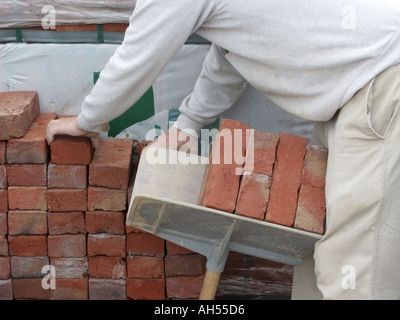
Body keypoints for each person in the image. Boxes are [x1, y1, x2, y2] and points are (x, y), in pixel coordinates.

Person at [46, 0, 400, 300]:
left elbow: (138, 55)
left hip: (381, 80)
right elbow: (234, 49)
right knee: (317, 241)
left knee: (356, 264)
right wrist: (188, 123)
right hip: (356, 86)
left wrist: (86, 123)